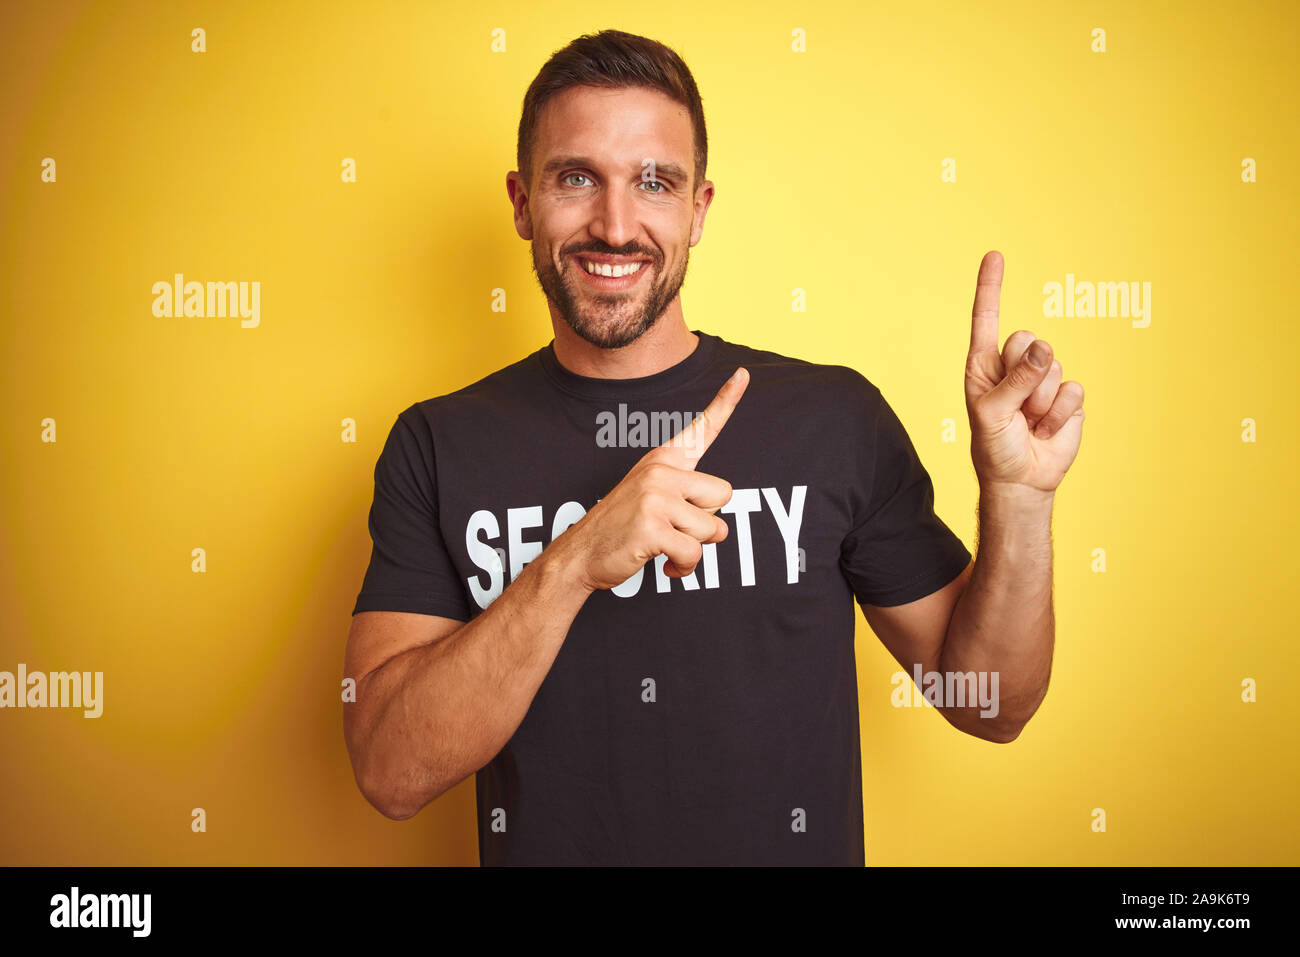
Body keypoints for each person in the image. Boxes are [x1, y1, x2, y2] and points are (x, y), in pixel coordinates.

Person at [342, 30, 1085, 866]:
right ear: (521, 201)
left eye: (654, 183)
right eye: (576, 177)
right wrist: (578, 557)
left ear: (698, 210)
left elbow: (992, 705)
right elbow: (389, 769)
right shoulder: (437, 444)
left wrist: (1019, 500)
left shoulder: (833, 420)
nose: (615, 226)